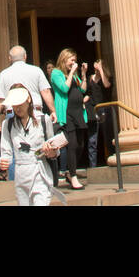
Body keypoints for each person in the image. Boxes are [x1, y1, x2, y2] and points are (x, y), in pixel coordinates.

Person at [0, 85, 61, 206]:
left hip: (40, 173)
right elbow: (6, 152)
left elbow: (54, 149)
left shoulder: (43, 120)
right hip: (21, 176)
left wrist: (51, 151)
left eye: (19, 103)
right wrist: (3, 161)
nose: (17, 108)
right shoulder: (8, 124)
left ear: (28, 100)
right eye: (14, 104)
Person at [0, 45, 57, 130]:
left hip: (12, 115)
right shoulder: (36, 70)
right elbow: (46, 91)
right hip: (35, 114)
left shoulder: (3, 74)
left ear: (9, 58)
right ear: (25, 56)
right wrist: (53, 111)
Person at [49, 48, 87, 190]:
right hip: (67, 113)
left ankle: (71, 171)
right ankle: (73, 175)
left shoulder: (74, 75)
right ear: (64, 59)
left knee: (80, 144)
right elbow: (64, 89)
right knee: (72, 144)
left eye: (75, 60)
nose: (74, 62)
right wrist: (71, 73)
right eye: (71, 60)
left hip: (78, 113)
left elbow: (83, 90)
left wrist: (82, 75)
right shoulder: (56, 73)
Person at [85, 58, 113, 168]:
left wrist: (101, 70)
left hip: (105, 108)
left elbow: (107, 85)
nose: (96, 67)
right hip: (93, 109)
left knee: (108, 135)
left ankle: (113, 159)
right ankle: (93, 165)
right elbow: (88, 93)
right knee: (92, 139)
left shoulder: (107, 77)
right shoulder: (90, 78)